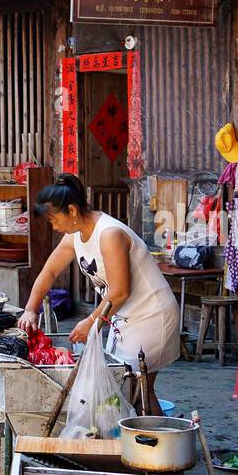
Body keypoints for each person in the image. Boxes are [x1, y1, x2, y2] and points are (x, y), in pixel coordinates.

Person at [18, 174, 180, 414]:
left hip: (151, 315)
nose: (53, 226)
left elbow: (120, 291)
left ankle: (161, 447)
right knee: (130, 391)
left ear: (72, 211)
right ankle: (148, 446)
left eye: (53, 220)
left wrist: (90, 322)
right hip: (122, 317)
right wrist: (31, 309)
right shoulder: (74, 235)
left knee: (134, 391)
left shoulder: (109, 234)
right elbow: (49, 271)